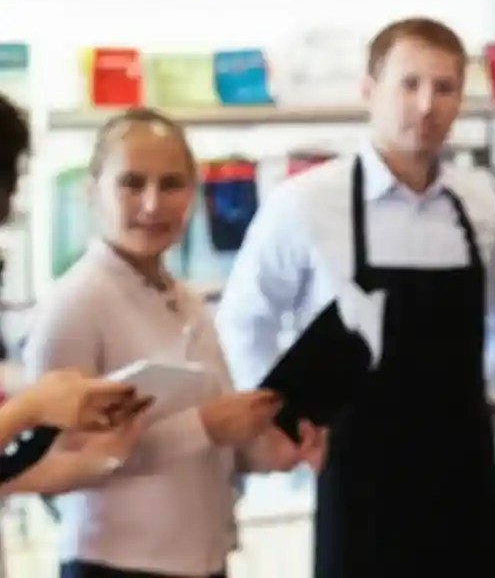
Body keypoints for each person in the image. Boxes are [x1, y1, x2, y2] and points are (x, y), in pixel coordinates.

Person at [216, 17, 495, 578]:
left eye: (444, 87)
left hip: (464, 474)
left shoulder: (480, 205)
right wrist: (285, 425)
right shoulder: (306, 203)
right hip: (357, 475)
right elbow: (244, 319)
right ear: (369, 89)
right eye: (409, 84)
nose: (426, 104)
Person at [22, 108, 312, 578]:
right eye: (132, 183)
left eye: (172, 184)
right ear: (93, 192)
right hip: (113, 564)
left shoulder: (186, 299)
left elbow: (211, 435)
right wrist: (204, 427)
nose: (153, 204)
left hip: (203, 561)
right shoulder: (74, 305)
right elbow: (56, 467)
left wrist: (261, 450)